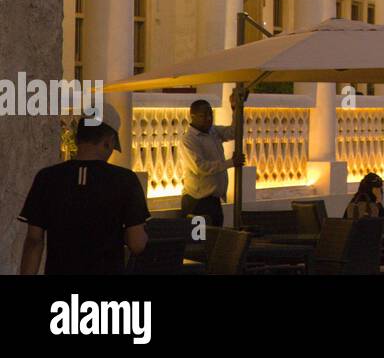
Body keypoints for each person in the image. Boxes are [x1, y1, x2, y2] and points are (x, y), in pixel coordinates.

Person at [19, 105, 150, 274]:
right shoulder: (125, 180)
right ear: (109, 141)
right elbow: (137, 243)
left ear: (77, 138)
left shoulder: (47, 177)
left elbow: (34, 241)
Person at [179, 94, 245, 229]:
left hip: (213, 199)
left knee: (215, 239)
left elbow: (234, 132)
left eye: (210, 115)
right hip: (196, 200)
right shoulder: (189, 140)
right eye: (204, 116)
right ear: (193, 116)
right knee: (199, 241)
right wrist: (230, 162)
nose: (208, 119)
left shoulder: (213, 131)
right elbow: (200, 167)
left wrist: (236, 108)